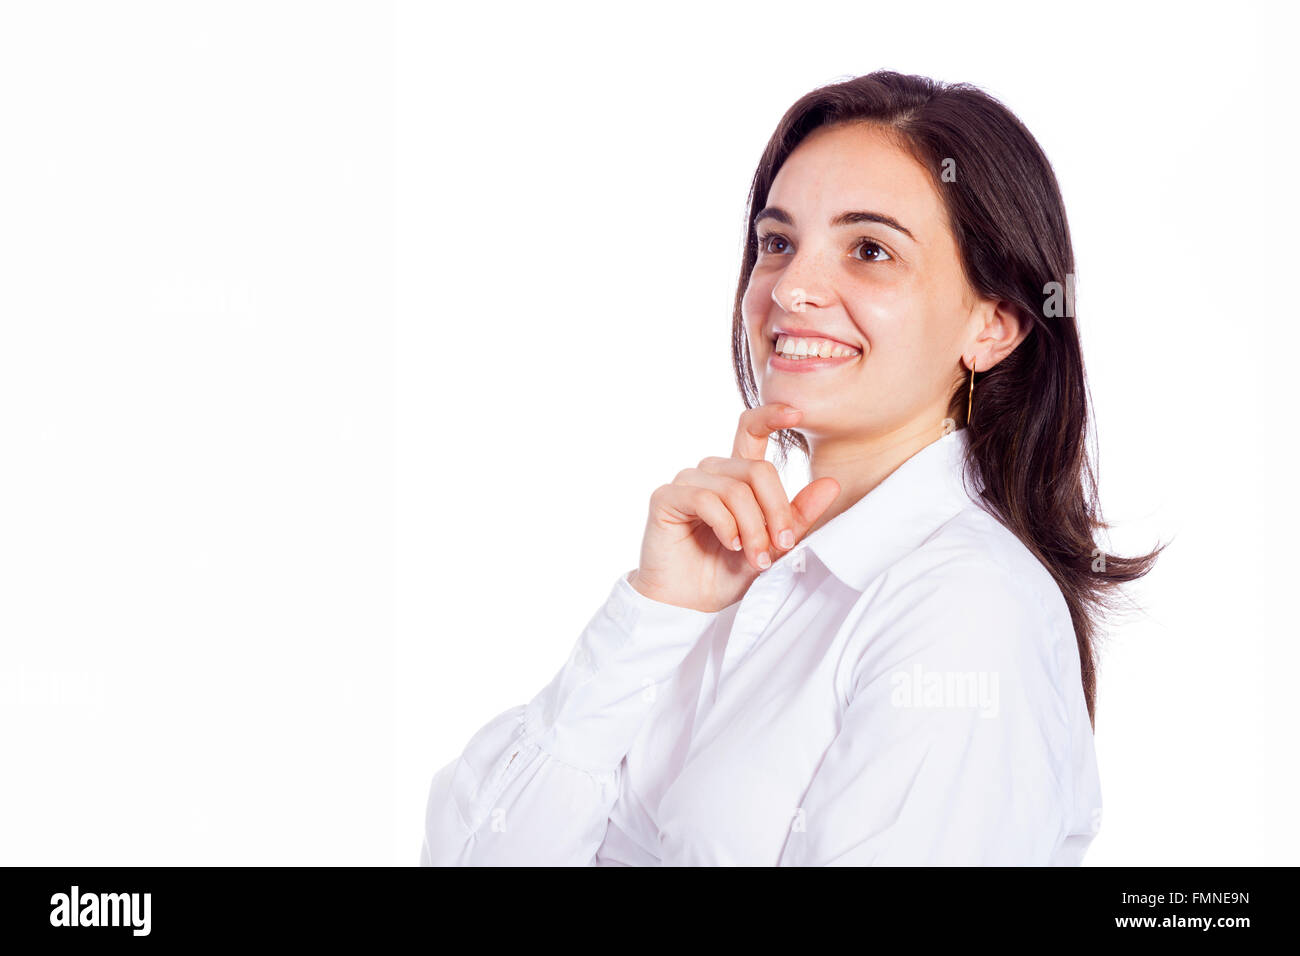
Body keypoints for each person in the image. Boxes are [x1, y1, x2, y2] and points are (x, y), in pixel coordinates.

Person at [418, 71, 1160, 866]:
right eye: (777, 243)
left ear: (993, 326)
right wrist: (659, 612)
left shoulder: (965, 607)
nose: (792, 289)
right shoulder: (737, 583)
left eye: (869, 250)